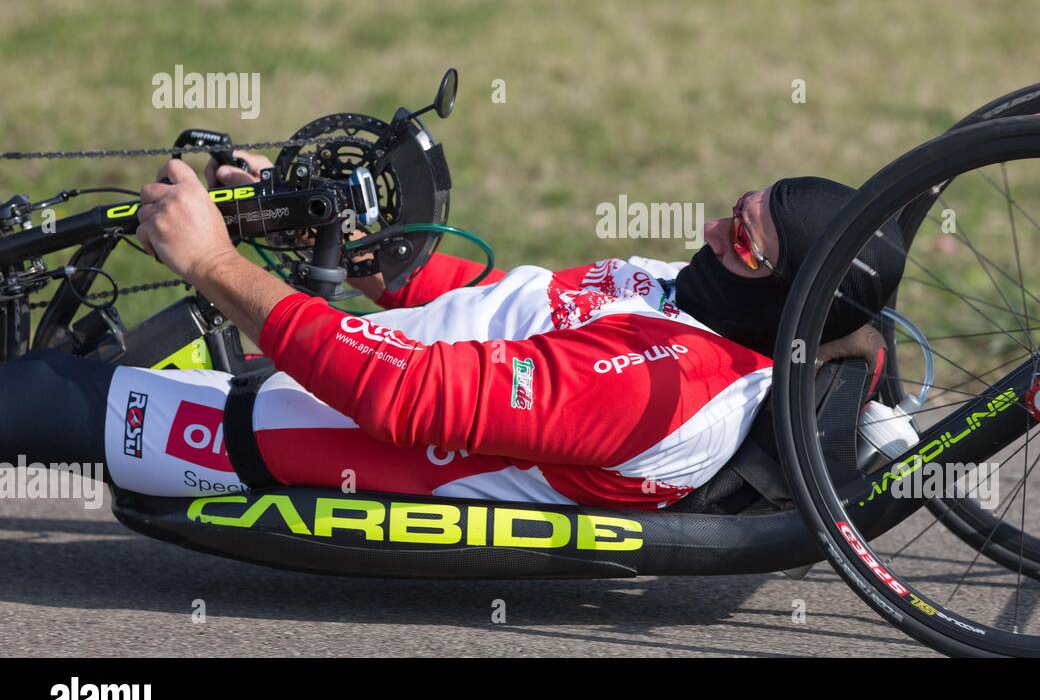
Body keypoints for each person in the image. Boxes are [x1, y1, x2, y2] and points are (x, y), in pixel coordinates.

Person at [0, 153, 905, 509]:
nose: (716, 233)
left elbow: (403, 398)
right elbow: (505, 298)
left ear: (786, 295)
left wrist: (212, 263)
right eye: (733, 209)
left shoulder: (657, 387)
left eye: (744, 240)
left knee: (29, 389)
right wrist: (358, 255)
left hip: (260, 434)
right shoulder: (701, 295)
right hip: (315, 372)